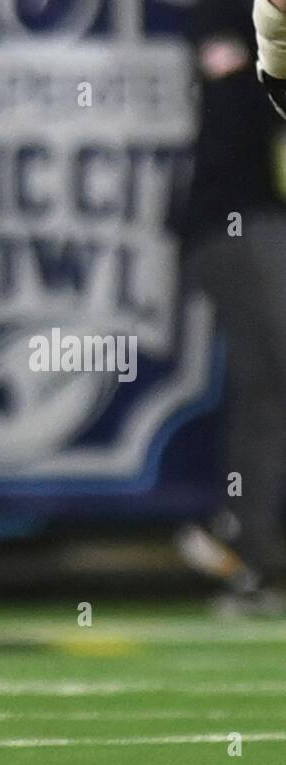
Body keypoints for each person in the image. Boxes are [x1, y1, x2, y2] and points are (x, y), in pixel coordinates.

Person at [175, 0, 286, 614]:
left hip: (264, 218)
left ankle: (244, 544)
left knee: (266, 378)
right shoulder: (230, 10)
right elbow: (240, 109)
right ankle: (242, 540)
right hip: (237, 220)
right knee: (273, 370)